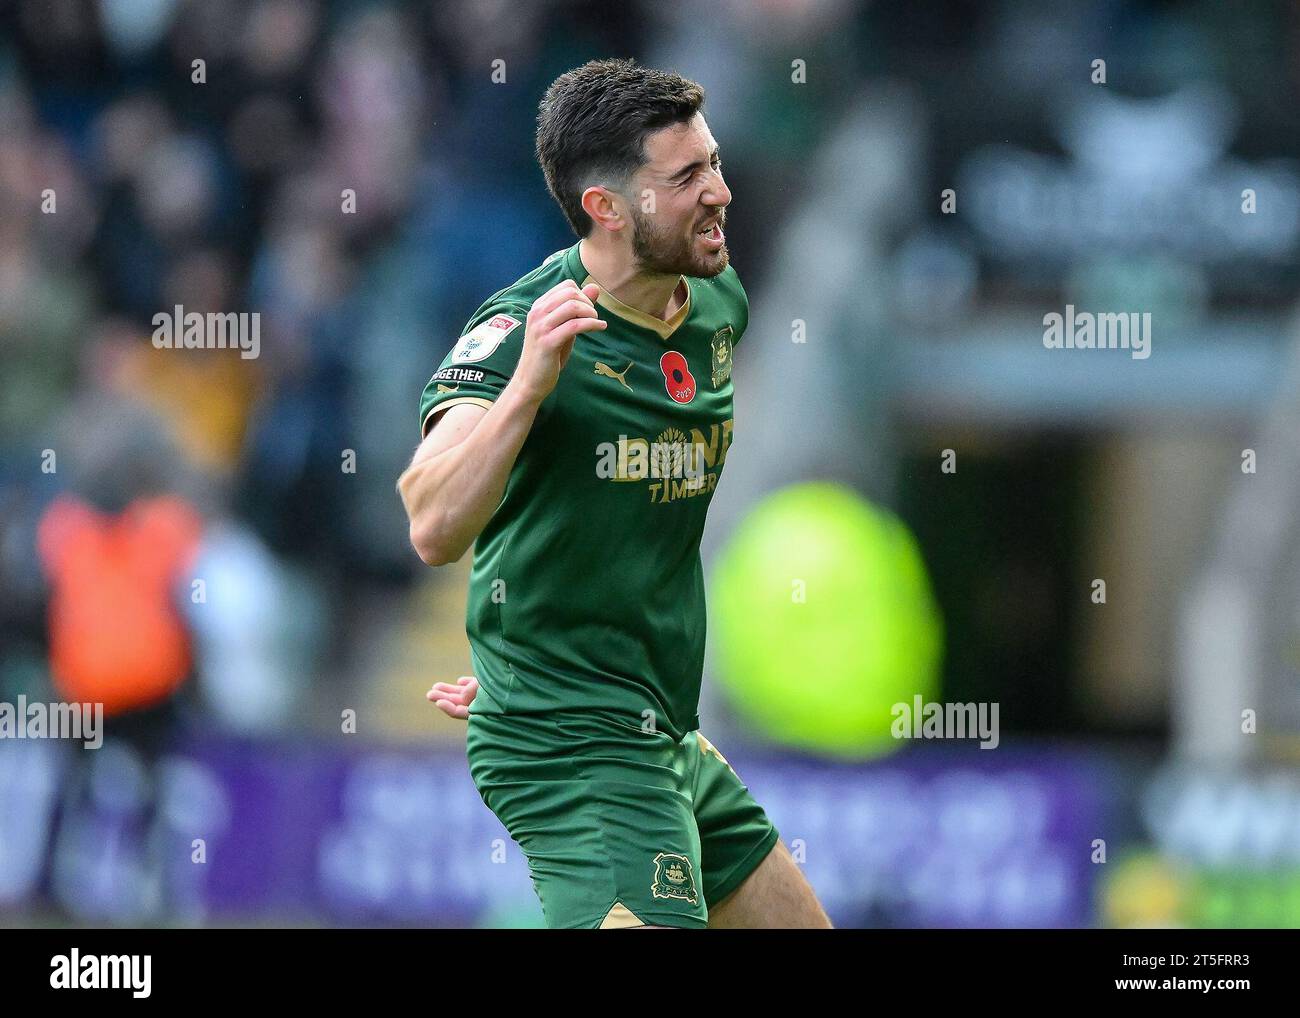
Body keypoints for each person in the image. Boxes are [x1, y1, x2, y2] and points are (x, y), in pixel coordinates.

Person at [399, 59, 830, 929]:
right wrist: (524, 390)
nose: (721, 192)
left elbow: (600, 525)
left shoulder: (717, 300)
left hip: (662, 727)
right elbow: (433, 524)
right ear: (605, 206)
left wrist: (532, 645)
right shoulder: (522, 330)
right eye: (687, 178)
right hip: (572, 745)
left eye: (713, 163)